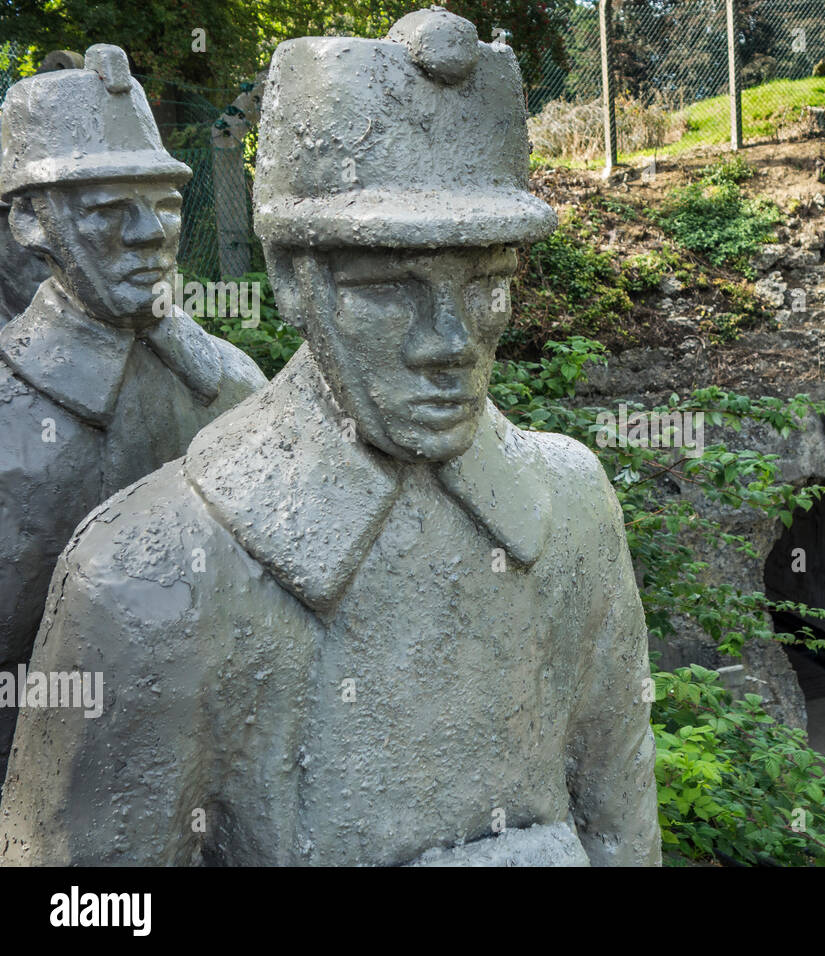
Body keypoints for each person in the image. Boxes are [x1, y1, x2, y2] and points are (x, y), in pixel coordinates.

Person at [0, 9, 660, 866]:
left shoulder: (574, 503)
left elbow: (624, 833)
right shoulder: (144, 572)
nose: (452, 342)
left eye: (488, 282)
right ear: (290, 281)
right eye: (390, 287)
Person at [0, 44, 266, 787]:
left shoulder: (235, 387)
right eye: (110, 209)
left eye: (167, 204)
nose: (152, 234)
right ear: (28, 221)